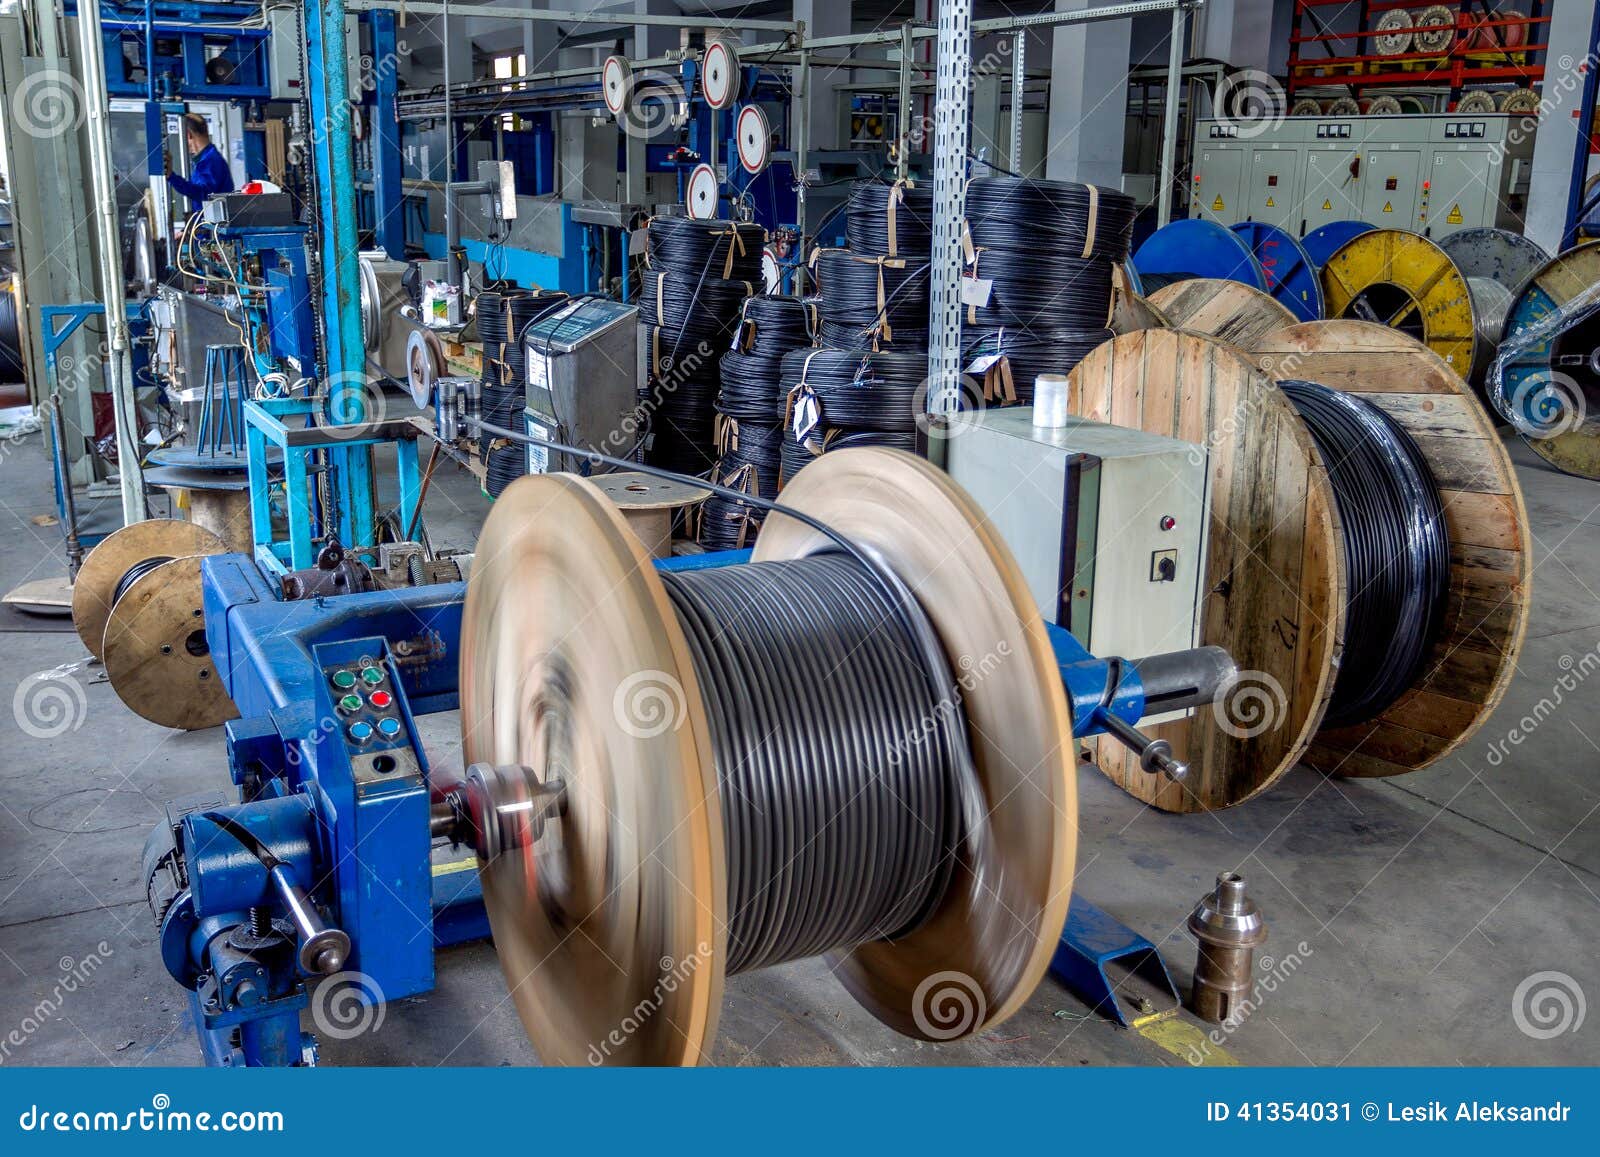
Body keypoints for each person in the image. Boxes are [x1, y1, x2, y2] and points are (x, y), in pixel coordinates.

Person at [166, 113, 234, 209]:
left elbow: (203, 193)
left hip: (211, 223)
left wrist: (172, 177)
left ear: (188, 135)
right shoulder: (205, 159)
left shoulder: (210, 161)